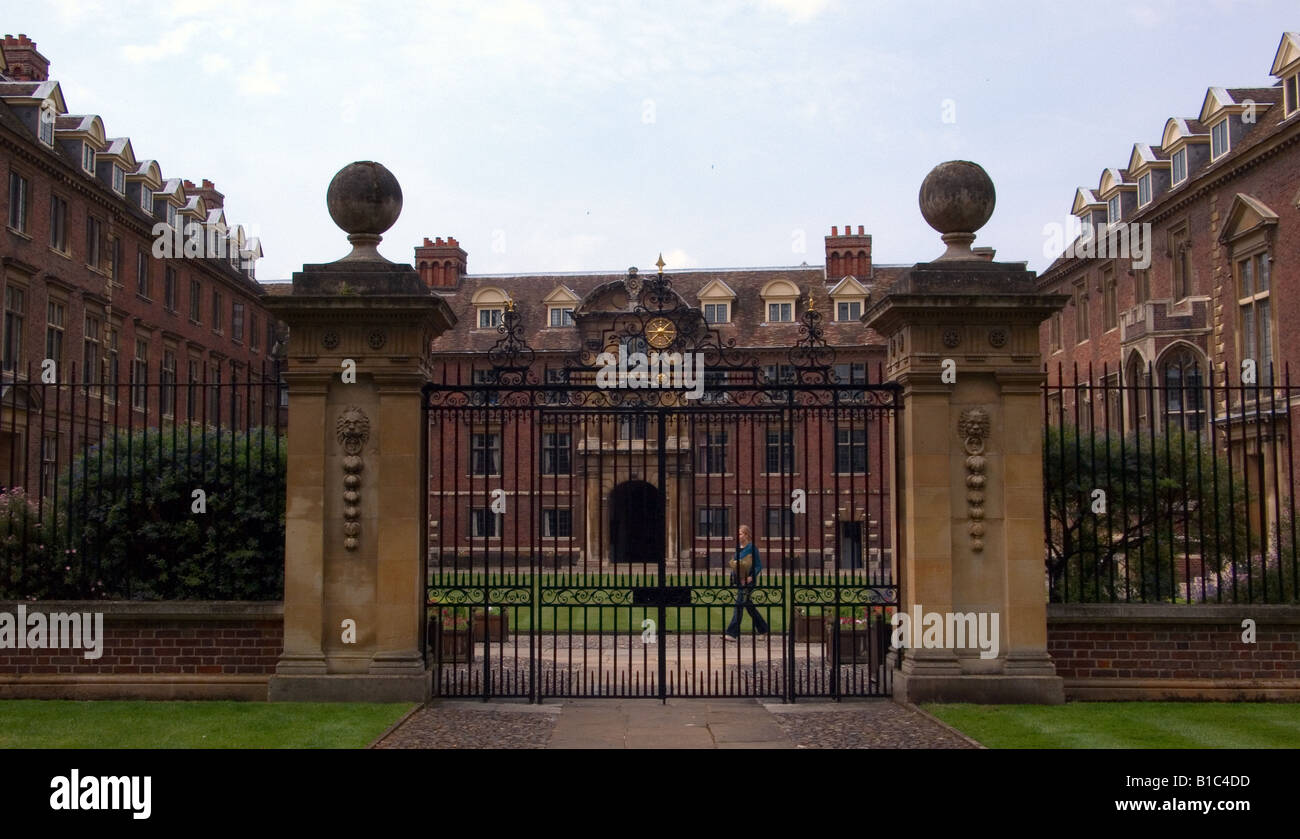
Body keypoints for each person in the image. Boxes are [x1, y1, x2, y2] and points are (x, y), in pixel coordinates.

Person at [724, 524, 769, 640]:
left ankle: (732, 633)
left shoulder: (752, 548)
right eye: (738, 533)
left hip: (749, 582)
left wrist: (751, 577)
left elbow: (758, 565)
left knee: (739, 605)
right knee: (749, 606)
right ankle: (763, 629)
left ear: (746, 535)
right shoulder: (738, 548)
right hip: (740, 580)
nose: (738, 535)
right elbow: (736, 563)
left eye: (740, 533)